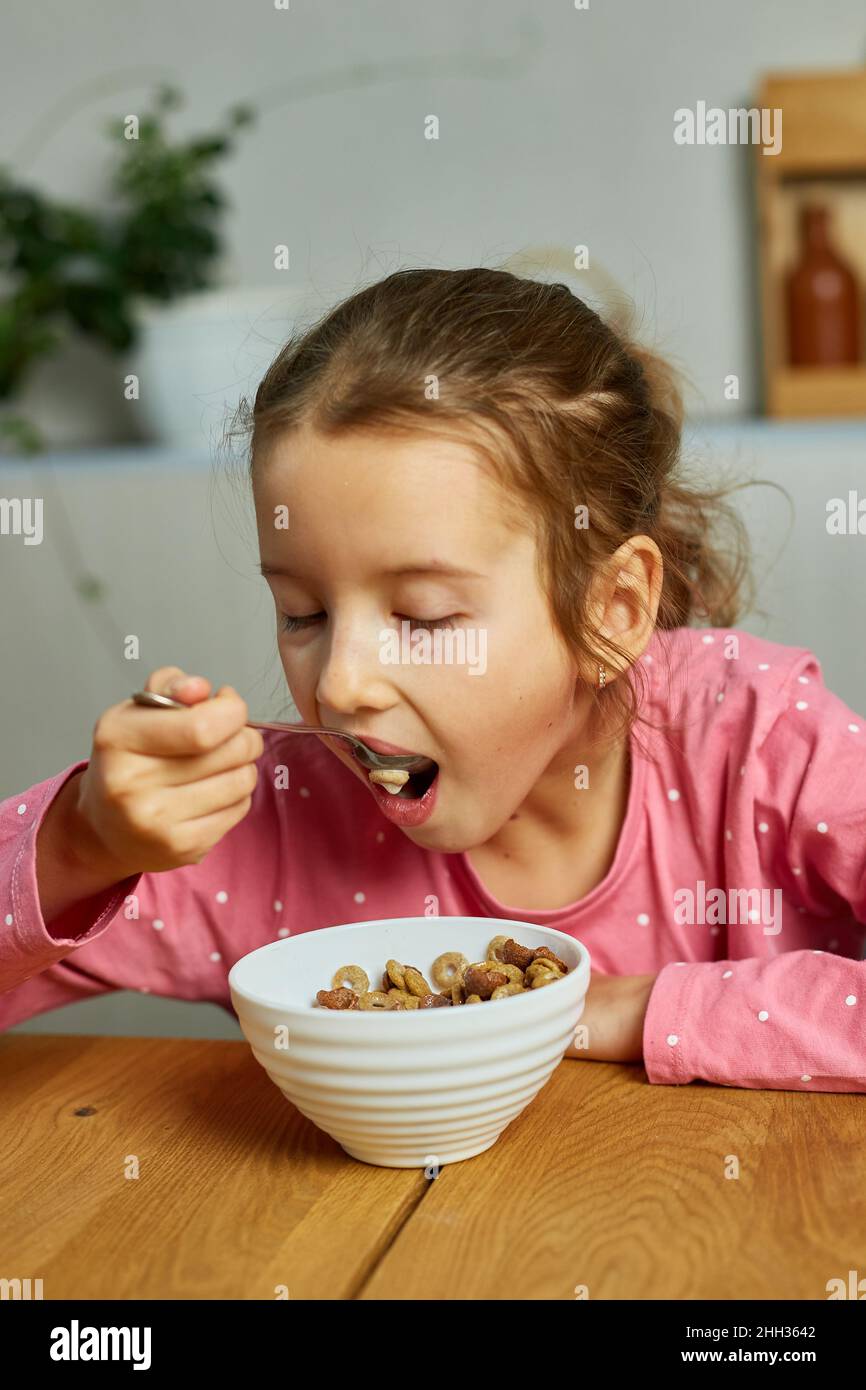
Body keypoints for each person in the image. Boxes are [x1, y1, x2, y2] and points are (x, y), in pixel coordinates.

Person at [2, 267, 865, 1090]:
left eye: (422, 617)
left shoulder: (757, 739)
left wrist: (643, 1009)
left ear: (612, 610)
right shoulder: (272, 823)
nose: (339, 686)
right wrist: (83, 846)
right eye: (303, 613)